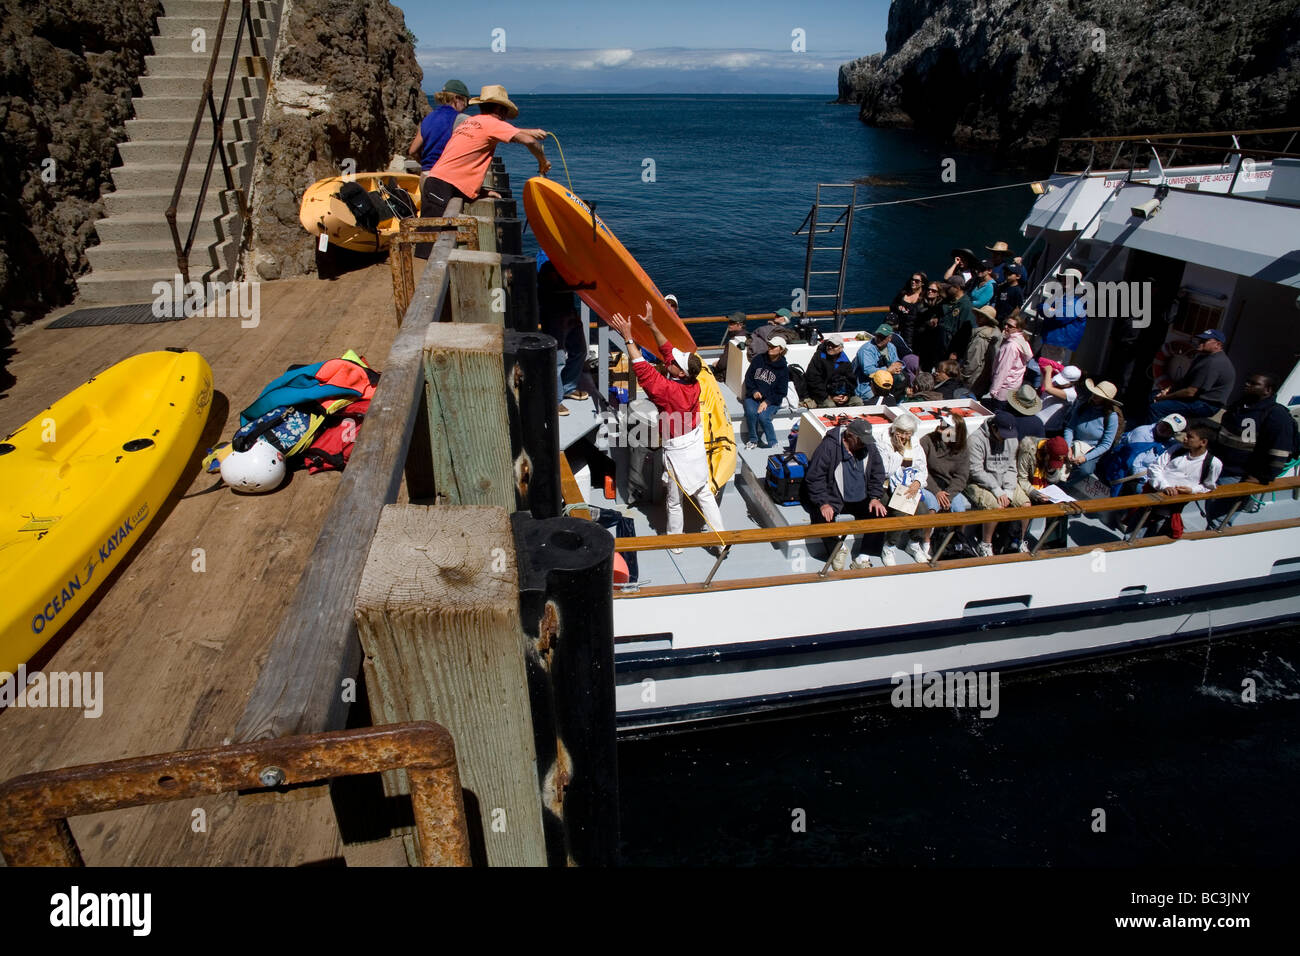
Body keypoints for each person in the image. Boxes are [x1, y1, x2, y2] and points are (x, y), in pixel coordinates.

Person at [606, 310, 724, 548]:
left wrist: (628, 337)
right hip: (695, 445)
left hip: (678, 451)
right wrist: (651, 325)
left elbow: (642, 368)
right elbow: (669, 352)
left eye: (674, 363)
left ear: (680, 372)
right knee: (704, 494)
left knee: (674, 499)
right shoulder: (694, 382)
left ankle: (676, 542)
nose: (669, 361)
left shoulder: (669, 391)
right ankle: (722, 539)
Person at [424, 85, 549, 219]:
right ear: (499, 109)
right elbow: (530, 141)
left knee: (438, 233)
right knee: (433, 234)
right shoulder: (493, 123)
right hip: (443, 186)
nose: (505, 117)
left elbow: (462, 160)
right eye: (506, 112)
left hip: (436, 181)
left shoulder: (471, 121)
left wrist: (481, 192)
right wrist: (543, 162)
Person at [1207, 371, 1298, 528]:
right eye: (1248, 381)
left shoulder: (1277, 415)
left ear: (1267, 390)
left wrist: (1263, 477)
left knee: (1219, 519)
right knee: (1211, 509)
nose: (1247, 384)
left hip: (1240, 474)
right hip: (1220, 468)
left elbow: (1279, 452)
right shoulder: (1238, 407)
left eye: (1254, 384)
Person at [800, 418, 888, 570]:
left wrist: (875, 497)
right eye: (860, 440)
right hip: (833, 496)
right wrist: (823, 502)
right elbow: (815, 477)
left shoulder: (869, 447)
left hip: (860, 496)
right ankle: (837, 549)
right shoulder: (829, 447)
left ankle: (863, 557)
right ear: (849, 435)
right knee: (821, 517)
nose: (864, 444)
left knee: (879, 514)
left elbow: (877, 472)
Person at [1135, 423, 1222, 537]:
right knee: (1134, 532)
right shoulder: (1177, 449)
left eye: (1190, 437)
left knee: (1155, 536)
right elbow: (1155, 467)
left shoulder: (1213, 464)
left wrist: (1191, 490)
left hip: (1171, 509)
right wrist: (1164, 486)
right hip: (1151, 498)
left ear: (1203, 442)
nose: (1184, 438)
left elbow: (1208, 486)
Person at [966, 410, 1026, 557]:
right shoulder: (976, 439)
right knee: (996, 506)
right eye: (1003, 434)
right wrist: (997, 490)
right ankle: (985, 544)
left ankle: (1019, 540)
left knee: (1025, 504)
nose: (1006, 438)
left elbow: (1012, 467)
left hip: (1005, 480)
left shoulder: (1012, 439)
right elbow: (976, 471)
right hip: (979, 483)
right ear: (993, 428)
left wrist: (1009, 490)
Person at [1146, 329, 1237, 423]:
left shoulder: (1213, 363)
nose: (1200, 343)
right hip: (1195, 398)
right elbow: (1184, 380)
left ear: (1217, 345)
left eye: (1204, 341)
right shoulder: (1202, 357)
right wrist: (1167, 390)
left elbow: (1190, 392)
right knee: (1152, 395)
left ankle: (1154, 435)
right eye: (1200, 340)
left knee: (1157, 408)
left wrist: (1164, 398)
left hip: (1206, 404)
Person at [536, 251, 587, 416]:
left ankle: (567, 387)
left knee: (580, 350)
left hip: (568, 310)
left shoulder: (567, 254)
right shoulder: (544, 258)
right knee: (557, 360)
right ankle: (554, 400)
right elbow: (547, 284)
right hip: (552, 314)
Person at [878, 412, 931, 564]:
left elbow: (922, 468)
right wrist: (899, 452)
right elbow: (886, 471)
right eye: (900, 432)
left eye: (907, 433)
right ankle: (889, 546)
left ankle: (913, 544)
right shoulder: (883, 442)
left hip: (907, 486)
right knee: (901, 511)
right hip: (886, 486)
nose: (903, 437)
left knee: (923, 511)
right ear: (894, 429)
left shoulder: (914, 443)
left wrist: (918, 482)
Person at [917, 411, 972, 558]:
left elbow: (961, 476)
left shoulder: (962, 448)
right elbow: (922, 469)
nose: (940, 427)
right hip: (928, 483)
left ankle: (958, 540)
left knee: (959, 509)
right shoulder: (927, 441)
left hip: (949, 487)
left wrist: (949, 494)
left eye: (946, 426)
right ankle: (926, 541)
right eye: (942, 424)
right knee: (932, 506)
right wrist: (936, 492)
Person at [1012, 435, 1073, 550]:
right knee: (1025, 504)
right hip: (1026, 486)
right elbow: (1021, 478)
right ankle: (1019, 539)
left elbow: (1055, 479)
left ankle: (1050, 543)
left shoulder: (1057, 454)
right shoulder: (1028, 450)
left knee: (1061, 507)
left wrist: (1051, 469)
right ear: (1047, 453)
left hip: (1045, 488)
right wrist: (1034, 493)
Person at [1101, 413, 1185, 494]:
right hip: (1125, 473)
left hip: (1150, 474)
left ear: (1173, 434)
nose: (1164, 429)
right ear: (1161, 421)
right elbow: (1134, 465)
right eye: (1165, 424)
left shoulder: (1169, 442)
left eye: (1169, 429)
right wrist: (1152, 480)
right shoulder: (1142, 433)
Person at [409, 79, 471, 183]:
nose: (466, 107)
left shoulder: (428, 118)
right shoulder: (459, 119)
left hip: (425, 177)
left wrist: (426, 164)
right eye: (466, 103)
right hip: (444, 179)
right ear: (456, 99)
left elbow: (412, 151)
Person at [1063, 379, 1122, 476]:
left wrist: (1085, 458)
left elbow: (1106, 444)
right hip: (1074, 444)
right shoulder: (1083, 407)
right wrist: (1067, 446)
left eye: (1099, 395)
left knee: (1085, 470)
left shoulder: (1111, 416)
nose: (1095, 396)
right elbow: (1070, 428)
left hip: (1092, 449)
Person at [742, 335, 789, 448]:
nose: (770, 348)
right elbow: (748, 377)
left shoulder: (783, 369)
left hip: (772, 400)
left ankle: (773, 442)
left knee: (763, 417)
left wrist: (767, 402)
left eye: (774, 346)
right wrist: (754, 391)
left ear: (781, 350)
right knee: (751, 413)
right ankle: (753, 440)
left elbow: (782, 391)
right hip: (753, 396)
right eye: (769, 345)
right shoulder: (759, 359)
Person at [1040, 268, 1088, 364]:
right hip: (1056, 339)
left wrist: (1050, 310)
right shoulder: (1063, 297)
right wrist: (1049, 310)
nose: (1065, 281)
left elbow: (1059, 318)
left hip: (1059, 341)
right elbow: (1042, 307)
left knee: (1049, 370)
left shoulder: (1075, 302)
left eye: (1068, 279)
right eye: (1064, 278)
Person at [802, 336, 861, 408]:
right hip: (821, 395)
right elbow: (813, 380)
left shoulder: (845, 361)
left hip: (839, 394)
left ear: (841, 348)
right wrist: (829, 397)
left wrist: (846, 396)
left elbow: (851, 381)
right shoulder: (819, 357)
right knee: (830, 405)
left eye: (834, 346)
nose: (830, 347)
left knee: (858, 401)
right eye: (829, 344)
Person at [988, 314, 1032, 402]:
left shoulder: (1011, 346)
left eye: (1010, 326)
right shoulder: (1022, 340)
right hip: (1013, 386)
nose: (1005, 327)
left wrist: (994, 389)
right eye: (1005, 323)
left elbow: (1003, 369)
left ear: (1018, 329)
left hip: (1002, 388)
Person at [959, 305, 1002, 396]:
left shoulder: (981, 338)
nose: (978, 317)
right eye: (978, 314)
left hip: (974, 379)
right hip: (983, 378)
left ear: (988, 319)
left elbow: (973, 361)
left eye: (981, 316)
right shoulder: (995, 332)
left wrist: (963, 375)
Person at [853, 323, 903, 400]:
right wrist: (887, 370)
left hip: (886, 381)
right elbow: (868, 371)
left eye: (883, 337)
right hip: (867, 385)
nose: (879, 339)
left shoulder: (891, 347)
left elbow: (896, 361)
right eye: (878, 336)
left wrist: (899, 365)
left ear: (889, 338)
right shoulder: (866, 350)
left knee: (904, 379)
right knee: (876, 398)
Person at [913, 281, 948, 371]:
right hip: (918, 339)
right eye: (929, 289)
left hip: (932, 344)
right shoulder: (920, 303)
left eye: (933, 291)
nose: (930, 292)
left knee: (926, 368)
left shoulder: (941, 308)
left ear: (938, 293)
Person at [1037, 364, 1081, 432]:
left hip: (1049, 429)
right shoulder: (1055, 381)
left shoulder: (1071, 393)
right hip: (1036, 421)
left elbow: (1048, 388)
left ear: (1073, 382)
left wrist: (1048, 371)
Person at [941, 279, 975, 362]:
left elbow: (965, 333)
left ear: (957, 288)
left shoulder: (966, 306)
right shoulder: (949, 301)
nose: (946, 290)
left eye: (949, 288)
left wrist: (956, 352)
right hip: (942, 344)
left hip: (951, 348)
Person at [890, 271, 928, 343]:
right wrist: (899, 307)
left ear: (922, 283)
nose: (913, 282)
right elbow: (893, 305)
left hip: (910, 332)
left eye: (917, 281)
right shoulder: (903, 293)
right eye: (912, 280)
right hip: (895, 327)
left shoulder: (924, 299)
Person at [713, 310, 747, 379]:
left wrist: (717, 365)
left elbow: (722, 364)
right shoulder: (747, 336)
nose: (729, 325)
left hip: (726, 374)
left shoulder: (733, 341)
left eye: (732, 323)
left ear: (740, 325)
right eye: (729, 322)